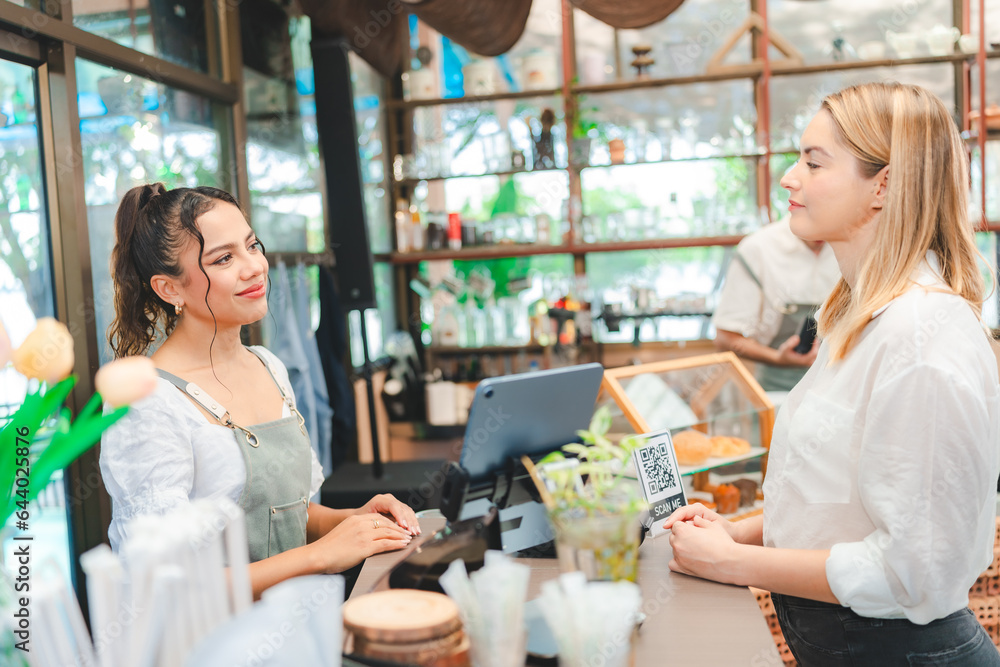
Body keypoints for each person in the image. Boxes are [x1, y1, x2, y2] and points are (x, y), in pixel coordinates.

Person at [664, 82, 1000, 665]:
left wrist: (731, 561)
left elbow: (909, 573)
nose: (790, 178)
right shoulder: (854, 314)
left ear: (885, 184)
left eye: (813, 162)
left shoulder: (920, 339)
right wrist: (737, 530)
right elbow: (841, 499)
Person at [100, 183, 419, 598]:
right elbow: (169, 586)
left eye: (253, 245)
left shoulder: (268, 365)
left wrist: (354, 520)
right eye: (224, 258)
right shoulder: (147, 400)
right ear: (169, 289)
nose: (254, 266)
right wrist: (322, 555)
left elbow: (288, 516)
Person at [712, 216, 840, 393]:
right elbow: (725, 338)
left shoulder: (855, 243)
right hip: (777, 387)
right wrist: (778, 358)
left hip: (839, 386)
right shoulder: (758, 249)